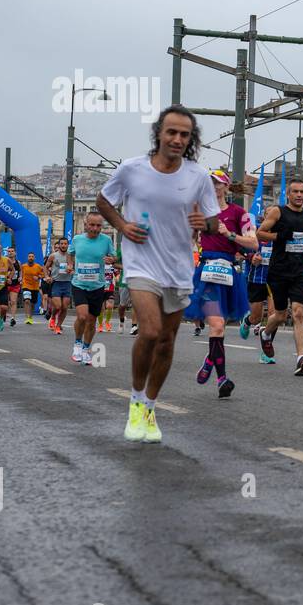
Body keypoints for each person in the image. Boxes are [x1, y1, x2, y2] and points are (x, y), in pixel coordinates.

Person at [96, 104, 222, 443]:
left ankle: (150, 407)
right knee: (150, 331)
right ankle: (135, 402)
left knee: (167, 341)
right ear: (159, 134)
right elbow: (103, 201)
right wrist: (122, 225)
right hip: (140, 262)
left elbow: (213, 220)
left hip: (179, 267)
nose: (178, 139)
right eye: (172, 132)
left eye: (184, 134)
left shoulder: (198, 176)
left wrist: (204, 223)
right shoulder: (131, 169)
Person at [186, 169, 258, 398]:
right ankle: (222, 379)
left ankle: (209, 360)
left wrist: (229, 235)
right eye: (210, 183)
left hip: (229, 274)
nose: (214, 187)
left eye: (218, 183)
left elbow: (253, 243)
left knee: (221, 328)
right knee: (216, 326)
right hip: (206, 273)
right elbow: (187, 239)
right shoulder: (199, 211)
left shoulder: (239, 213)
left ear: (226, 187)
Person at [254, 179, 303, 375]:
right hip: (279, 270)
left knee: (299, 311)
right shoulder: (278, 212)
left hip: (300, 269)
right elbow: (260, 234)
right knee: (281, 314)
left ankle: (301, 358)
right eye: (296, 192)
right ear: (289, 195)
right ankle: (266, 334)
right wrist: (279, 235)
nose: (300, 195)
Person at [68, 211, 116, 365]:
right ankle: (77, 343)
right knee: (82, 316)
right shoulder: (77, 239)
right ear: (86, 225)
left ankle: (86, 349)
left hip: (97, 285)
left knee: (91, 320)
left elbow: (114, 257)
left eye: (98, 225)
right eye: (92, 225)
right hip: (79, 283)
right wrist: (70, 264)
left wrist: (111, 259)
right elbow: (70, 253)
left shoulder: (106, 240)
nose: (95, 228)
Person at [241, 235, 274, 362]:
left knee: (274, 315)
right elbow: (241, 251)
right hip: (256, 280)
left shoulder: (279, 234)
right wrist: (251, 257)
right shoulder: (255, 235)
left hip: (274, 280)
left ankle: (265, 353)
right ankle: (248, 322)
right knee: (256, 318)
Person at [44, 236, 73, 334]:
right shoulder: (53, 255)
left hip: (67, 283)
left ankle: (58, 326)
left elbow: (75, 268)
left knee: (64, 307)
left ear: (68, 245)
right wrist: (47, 276)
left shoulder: (71, 256)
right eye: (62, 244)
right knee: (57, 306)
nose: (64, 245)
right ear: (59, 245)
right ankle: (52, 317)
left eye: (65, 244)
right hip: (56, 282)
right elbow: (46, 267)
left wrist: (72, 271)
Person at [18, 251, 44, 325]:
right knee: (27, 301)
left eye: (32, 256)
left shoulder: (38, 266)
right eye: (29, 256)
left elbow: (43, 274)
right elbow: (21, 274)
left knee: (32, 303)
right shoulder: (23, 266)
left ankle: (30, 317)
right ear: (27, 257)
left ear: (34, 258)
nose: (31, 258)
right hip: (26, 285)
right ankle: (27, 317)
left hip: (35, 287)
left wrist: (38, 277)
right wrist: (20, 278)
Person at [4, 247, 22, 327]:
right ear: (7, 253)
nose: (10, 252)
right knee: (4, 302)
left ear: (15, 253)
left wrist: (20, 277)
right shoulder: (5, 261)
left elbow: (20, 271)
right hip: (5, 284)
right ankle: (3, 314)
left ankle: (13, 318)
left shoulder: (18, 262)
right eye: (9, 251)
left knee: (13, 301)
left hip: (15, 284)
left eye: (12, 251)